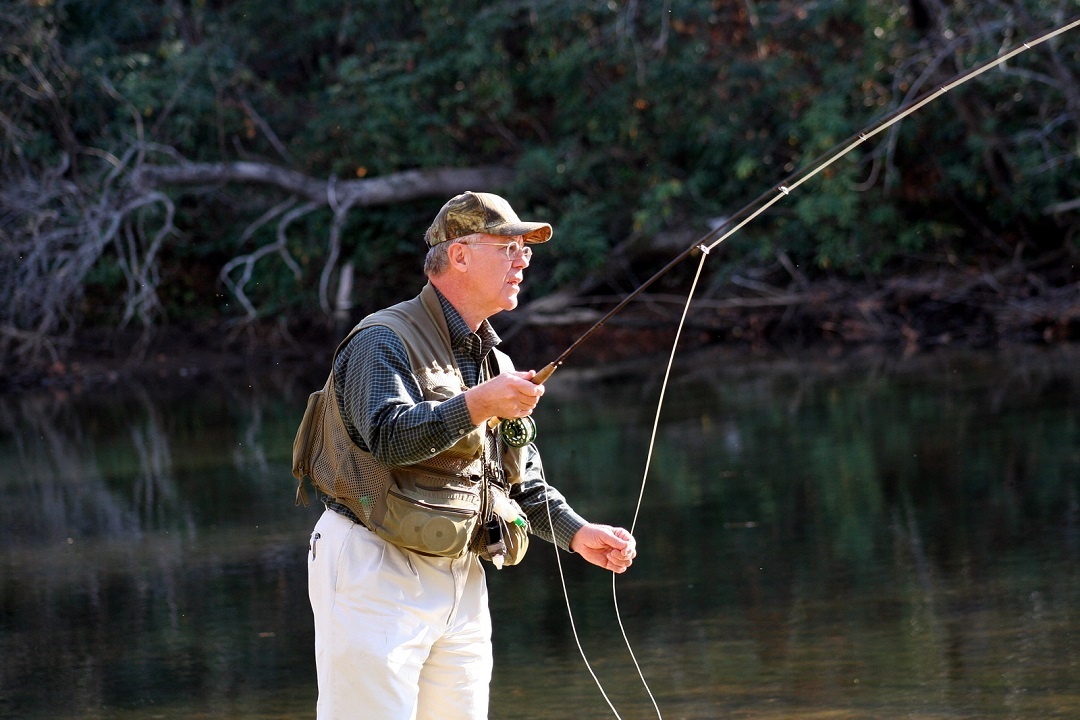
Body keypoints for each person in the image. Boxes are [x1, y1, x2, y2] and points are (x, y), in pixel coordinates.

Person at [304, 191, 637, 720]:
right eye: (508, 245)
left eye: (525, 248)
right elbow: (387, 438)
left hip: (462, 575)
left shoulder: (494, 359)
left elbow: (520, 484)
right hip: (374, 565)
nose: (523, 258)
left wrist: (578, 534)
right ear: (458, 255)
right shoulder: (382, 339)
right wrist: (478, 404)